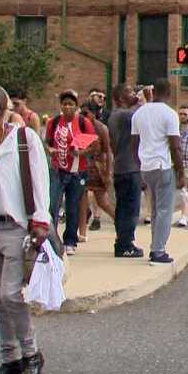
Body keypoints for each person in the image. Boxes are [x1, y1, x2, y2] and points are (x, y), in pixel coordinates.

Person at [0, 85, 49, 374]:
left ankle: (31, 355)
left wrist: (41, 221)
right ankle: (9, 360)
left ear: (2, 112)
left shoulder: (24, 140)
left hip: (17, 227)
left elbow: (40, 180)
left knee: (12, 294)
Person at [131, 79, 185, 266]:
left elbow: (134, 145)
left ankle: (155, 245)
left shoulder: (138, 114)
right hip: (163, 166)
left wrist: (140, 166)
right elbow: (175, 146)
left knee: (154, 210)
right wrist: (181, 172)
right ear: (168, 92)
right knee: (164, 210)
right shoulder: (170, 114)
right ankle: (158, 250)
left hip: (146, 167)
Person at [45, 89, 97, 255]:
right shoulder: (53, 122)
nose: (67, 107)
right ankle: (51, 239)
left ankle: (70, 241)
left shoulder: (83, 122)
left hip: (77, 171)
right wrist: (51, 149)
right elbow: (47, 142)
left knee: (73, 207)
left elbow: (94, 145)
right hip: (58, 170)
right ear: (61, 106)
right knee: (52, 205)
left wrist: (81, 153)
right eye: (65, 104)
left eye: (71, 104)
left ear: (76, 106)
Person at [107, 84, 143, 257]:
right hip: (129, 168)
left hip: (122, 167)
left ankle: (122, 240)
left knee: (122, 207)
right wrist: (145, 100)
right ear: (120, 98)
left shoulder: (116, 116)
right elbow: (141, 116)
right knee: (130, 208)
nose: (134, 94)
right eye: (129, 92)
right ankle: (125, 244)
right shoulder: (124, 115)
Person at [78, 103, 115, 238]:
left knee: (102, 201)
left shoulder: (101, 128)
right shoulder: (80, 127)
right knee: (82, 201)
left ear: (93, 114)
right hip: (83, 166)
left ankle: (119, 224)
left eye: (86, 113)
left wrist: (108, 171)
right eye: (81, 113)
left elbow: (107, 151)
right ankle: (82, 232)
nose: (83, 116)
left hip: (98, 167)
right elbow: (79, 148)